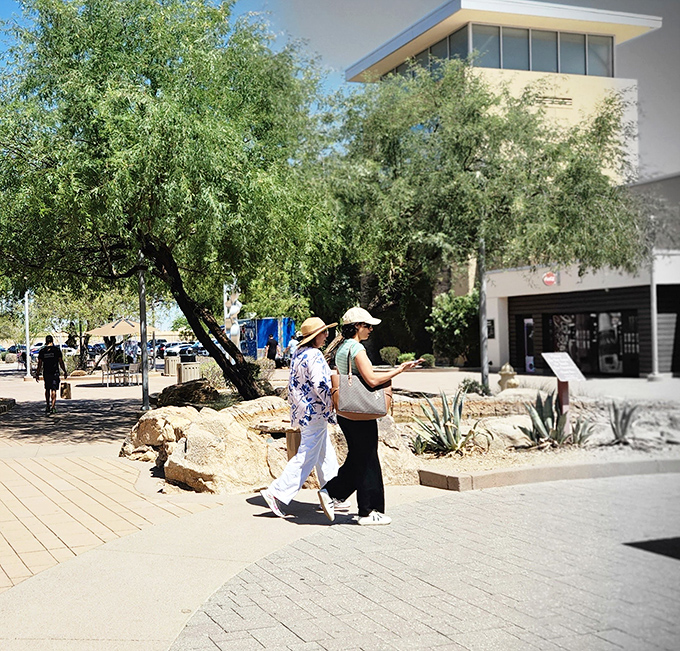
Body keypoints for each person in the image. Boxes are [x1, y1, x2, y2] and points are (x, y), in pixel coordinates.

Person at [319, 307, 422, 526]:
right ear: (357, 326)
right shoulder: (356, 348)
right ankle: (363, 508)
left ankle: (341, 496)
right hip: (361, 412)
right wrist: (400, 370)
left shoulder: (342, 347)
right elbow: (372, 380)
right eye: (367, 326)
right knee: (366, 458)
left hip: (348, 411)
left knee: (360, 457)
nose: (371, 329)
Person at [260, 317, 340, 518]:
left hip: (304, 412)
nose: (326, 336)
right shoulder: (315, 355)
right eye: (324, 333)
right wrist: (332, 402)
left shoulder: (298, 353)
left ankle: (333, 494)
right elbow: (319, 383)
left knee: (324, 453)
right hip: (316, 412)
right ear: (315, 336)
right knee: (307, 456)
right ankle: (276, 492)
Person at [35, 335, 68, 415]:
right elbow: (61, 362)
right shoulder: (56, 350)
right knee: (53, 389)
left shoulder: (42, 351)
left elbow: (39, 363)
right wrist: (64, 371)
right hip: (55, 372)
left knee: (47, 389)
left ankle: (47, 405)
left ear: (46, 341)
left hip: (46, 372)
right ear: (52, 341)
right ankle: (53, 406)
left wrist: (37, 373)